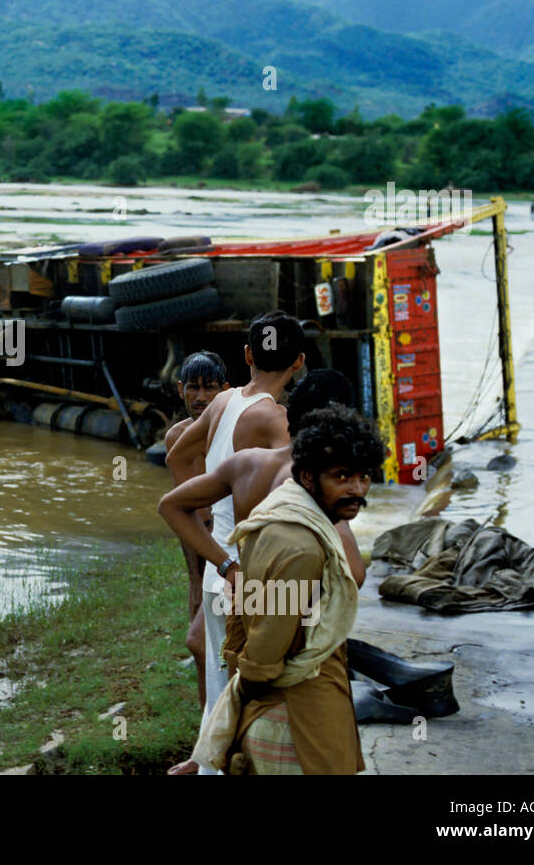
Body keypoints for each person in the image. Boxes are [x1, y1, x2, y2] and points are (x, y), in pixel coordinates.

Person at [160, 368, 365, 774]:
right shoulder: (311, 489)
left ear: (290, 416)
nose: (357, 487)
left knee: (235, 692)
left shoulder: (249, 464)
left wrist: (227, 564)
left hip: (242, 598)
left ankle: (207, 760)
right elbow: (354, 573)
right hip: (295, 671)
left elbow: (171, 504)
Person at [163, 311, 304, 770]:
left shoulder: (224, 404)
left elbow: (178, 456)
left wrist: (207, 521)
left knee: (220, 691)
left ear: (246, 355)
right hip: (251, 577)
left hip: (218, 568)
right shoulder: (275, 420)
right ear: (298, 363)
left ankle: (204, 763)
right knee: (256, 701)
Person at [163, 351, 229, 715]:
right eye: (193, 388)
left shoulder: (237, 429)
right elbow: (186, 500)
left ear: (226, 391)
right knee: (198, 596)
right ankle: (208, 715)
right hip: (196, 529)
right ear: (180, 390)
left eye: (210, 388)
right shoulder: (178, 437)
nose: (200, 397)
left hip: (228, 532)